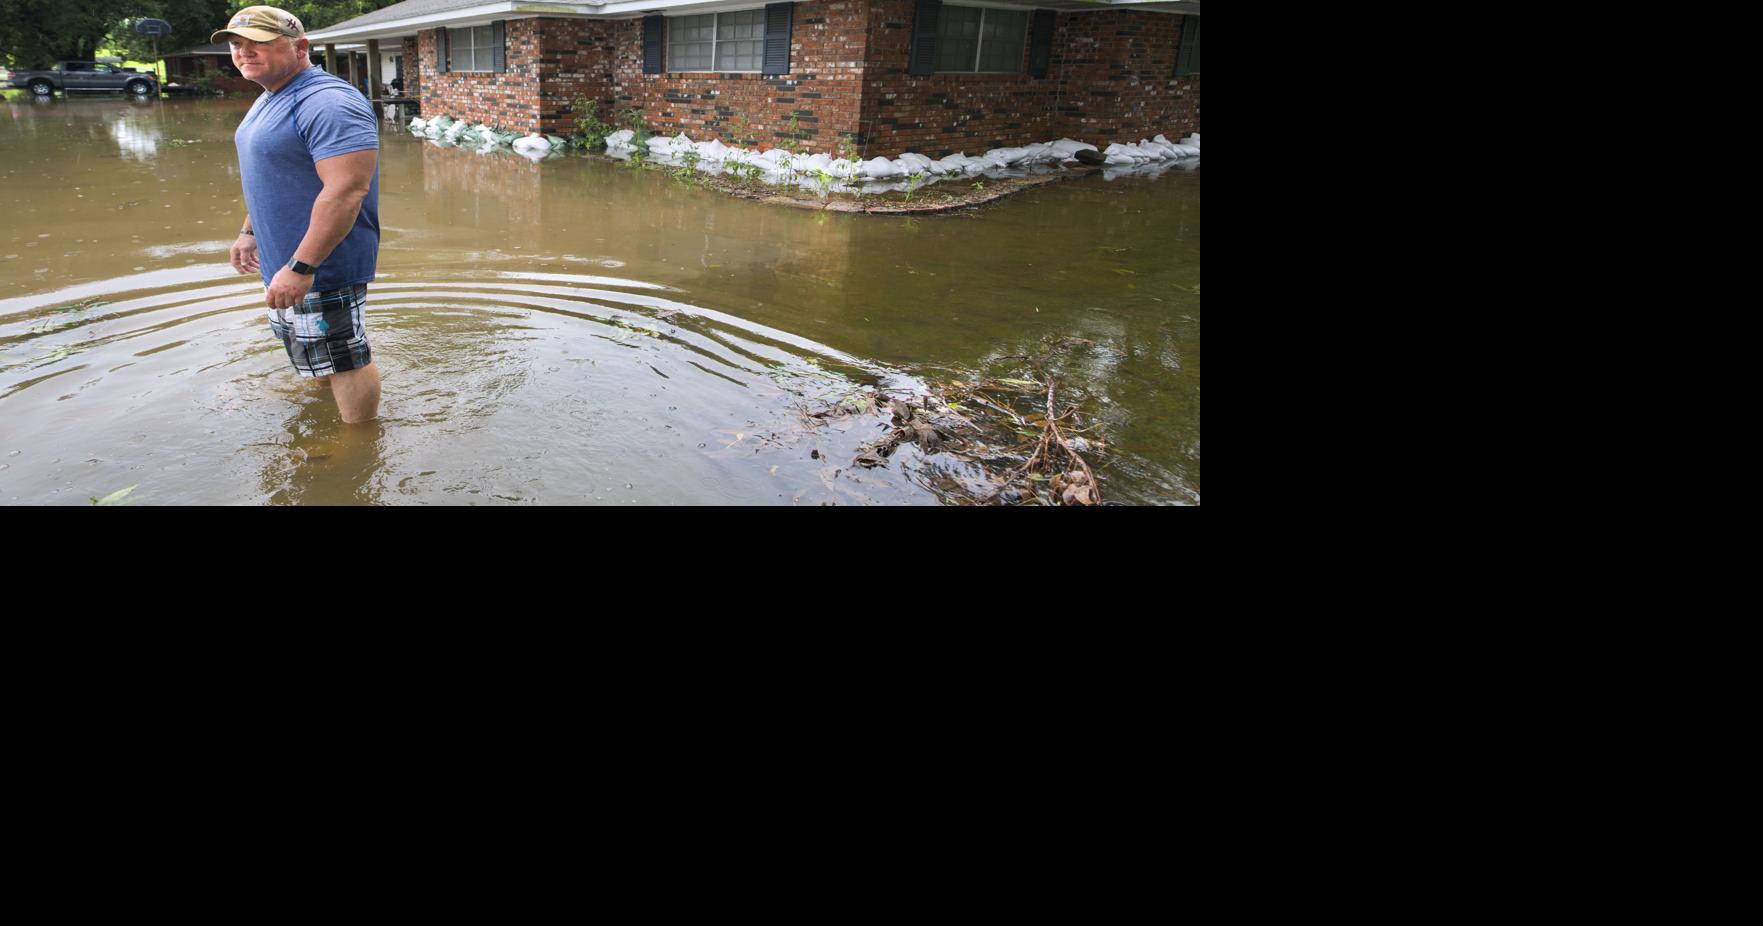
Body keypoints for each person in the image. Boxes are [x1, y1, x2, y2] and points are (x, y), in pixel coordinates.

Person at [218, 6, 382, 423]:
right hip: (284, 259)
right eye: (237, 45)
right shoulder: (270, 95)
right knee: (317, 348)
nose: (243, 52)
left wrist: (303, 265)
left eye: (258, 43)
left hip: (320, 261)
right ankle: (323, 406)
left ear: (300, 47)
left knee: (344, 355)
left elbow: (346, 190)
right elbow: (273, 172)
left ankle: (360, 444)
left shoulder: (327, 102)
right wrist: (249, 231)